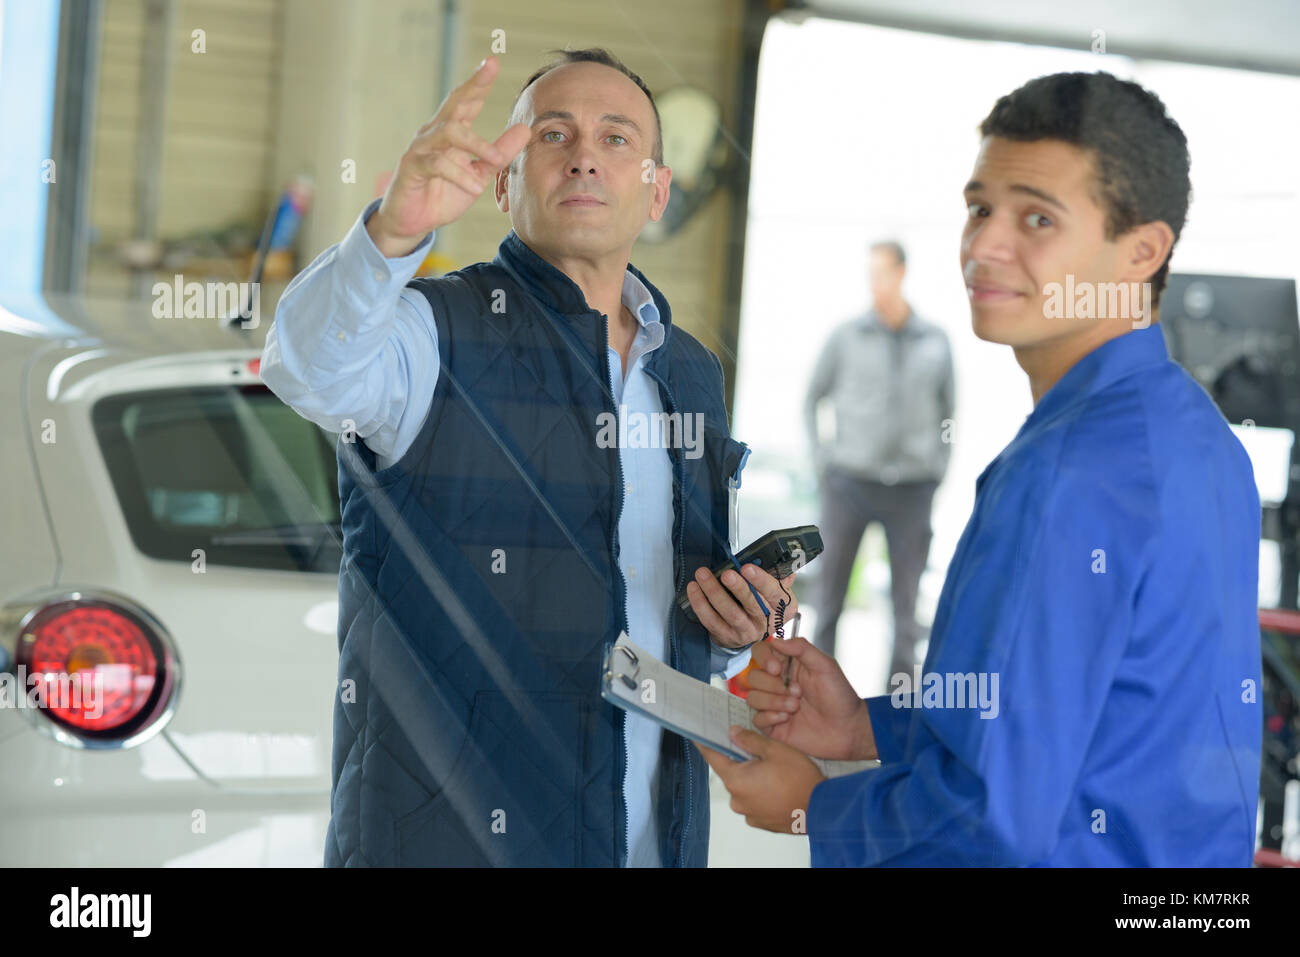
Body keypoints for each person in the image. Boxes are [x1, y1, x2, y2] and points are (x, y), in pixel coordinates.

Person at [700, 71, 1262, 866]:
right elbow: (1090, 714)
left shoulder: (1069, 473)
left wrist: (816, 810)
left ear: (1142, 251)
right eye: (979, 208)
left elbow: (990, 823)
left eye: (1037, 216)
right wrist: (872, 727)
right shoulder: (1194, 435)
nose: (985, 245)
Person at [260, 50, 793, 867]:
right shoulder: (433, 333)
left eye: (617, 138)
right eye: (554, 133)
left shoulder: (688, 371)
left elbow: (665, 608)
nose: (584, 153)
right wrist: (395, 229)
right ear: (505, 185)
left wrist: (732, 624)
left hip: (654, 838)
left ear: (658, 190)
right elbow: (306, 368)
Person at [805, 240, 953, 683]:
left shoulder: (935, 340)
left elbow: (949, 413)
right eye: (871, 275)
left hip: (911, 488)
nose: (876, 284)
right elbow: (812, 399)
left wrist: (937, 468)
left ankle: (896, 709)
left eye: (884, 273)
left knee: (905, 609)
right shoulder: (846, 337)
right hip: (848, 484)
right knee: (829, 599)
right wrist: (823, 465)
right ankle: (817, 689)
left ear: (902, 274)